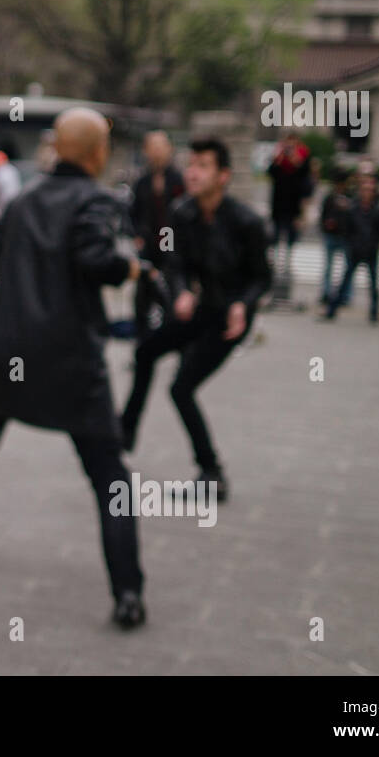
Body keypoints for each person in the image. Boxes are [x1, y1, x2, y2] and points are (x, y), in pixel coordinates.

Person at [0, 108, 147, 629]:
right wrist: (131, 266)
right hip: (72, 359)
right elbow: (97, 261)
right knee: (109, 474)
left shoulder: (23, 200)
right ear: (96, 153)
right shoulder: (95, 199)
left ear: (55, 148)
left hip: (11, 351)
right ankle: (128, 591)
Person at [119, 137, 271, 503]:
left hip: (230, 319)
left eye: (203, 165)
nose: (193, 172)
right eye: (191, 164)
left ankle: (211, 472)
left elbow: (262, 277)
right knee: (144, 352)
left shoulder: (246, 221)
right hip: (200, 309)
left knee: (181, 388)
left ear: (223, 176)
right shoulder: (182, 213)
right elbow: (175, 262)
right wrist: (183, 289)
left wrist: (243, 305)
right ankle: (123, 435)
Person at [129, 130, 185, 342]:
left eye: (160, 147)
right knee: (143, 296)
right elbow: (132, 212)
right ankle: (142, 341)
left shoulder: (178, 179)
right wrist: (136, 235)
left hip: (171, 244)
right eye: (152, 147)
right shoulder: (142, 181)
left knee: (171, 293)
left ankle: (173, 338)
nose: (157, 153)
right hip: (148, 245)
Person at [323, 172, 379, 322]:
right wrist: (351, 243)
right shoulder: (353, 208)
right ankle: (332, 309)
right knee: (345, 280)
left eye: (370, 190)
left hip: (371, 249)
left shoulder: (378, 210)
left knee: (373, 283)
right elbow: (347, 229)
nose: (367, 193)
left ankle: (374, 312)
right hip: (355, 249)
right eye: (365, 189)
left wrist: (378, 242)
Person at [266, 131, 313, 297]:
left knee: (291, 242)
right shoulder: (279, 158)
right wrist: (278, 157)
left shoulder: (303, 157)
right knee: (276, 240)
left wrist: (295, 159)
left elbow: (306, 179)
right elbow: (270, 173)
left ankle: (287, 274)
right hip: (279, 207)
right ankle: (276, 272)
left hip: (294, 209)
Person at [318, 168, 353, 309]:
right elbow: (323, 214)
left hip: (345, 235)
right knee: (328, 266)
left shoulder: (350, 197)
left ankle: (345, 295)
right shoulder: (330, 197)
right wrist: (326, 225)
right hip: (331, 234)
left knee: (348, 267)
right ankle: (326, 293)